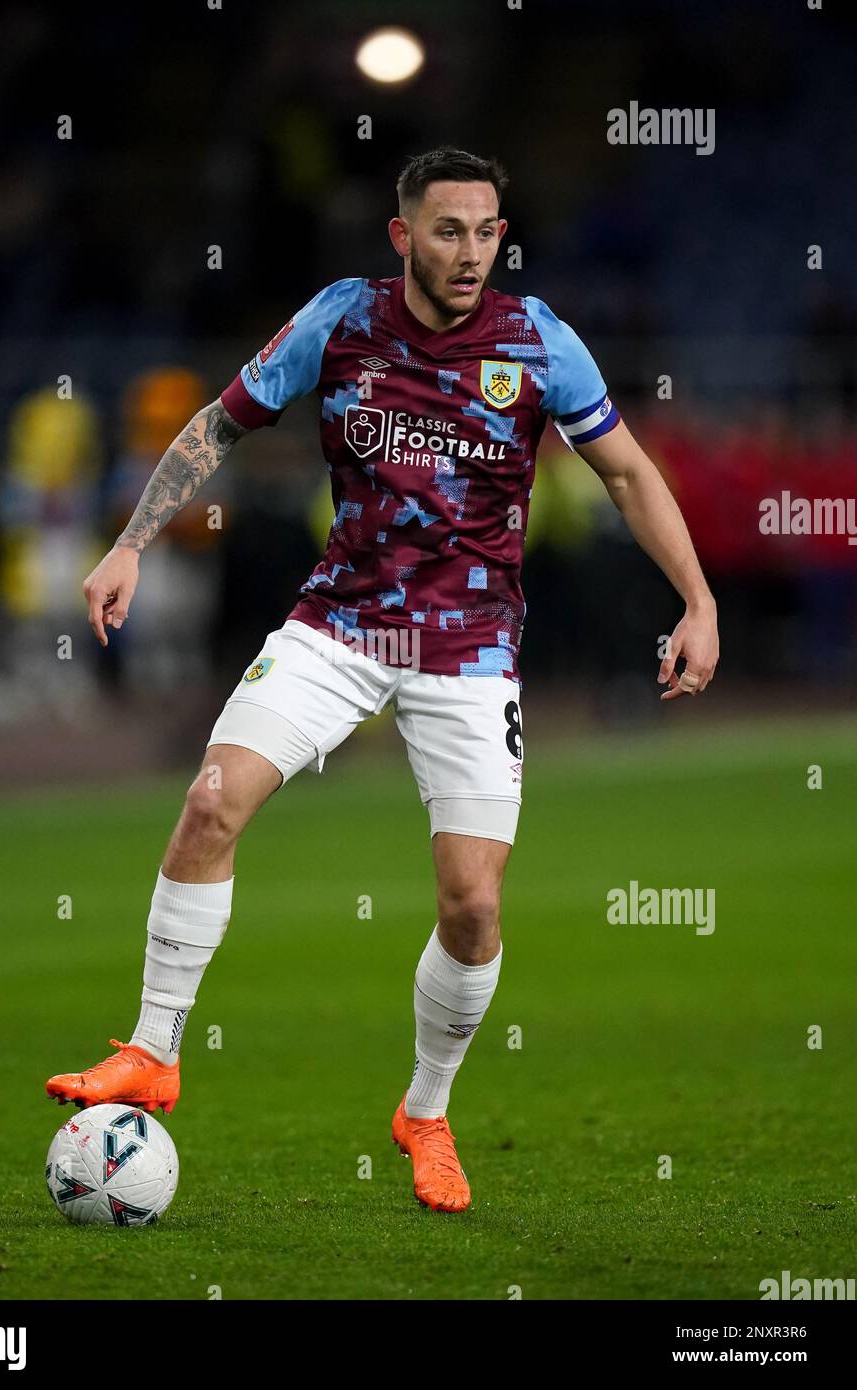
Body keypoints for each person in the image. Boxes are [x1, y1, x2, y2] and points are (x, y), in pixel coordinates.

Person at [46, 146, 719, 1213]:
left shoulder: (539, 341)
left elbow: (628, 471)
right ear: (403, 236)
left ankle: (425, 1109)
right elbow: (220, 421)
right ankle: (153, 1049)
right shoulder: (341, 320)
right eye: (447, 230)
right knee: (211, 800)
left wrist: (698, 599)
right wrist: (132, 539)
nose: (470, 251)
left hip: (470, 650)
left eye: (486, 230)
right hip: (339, 625)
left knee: (472, 905)